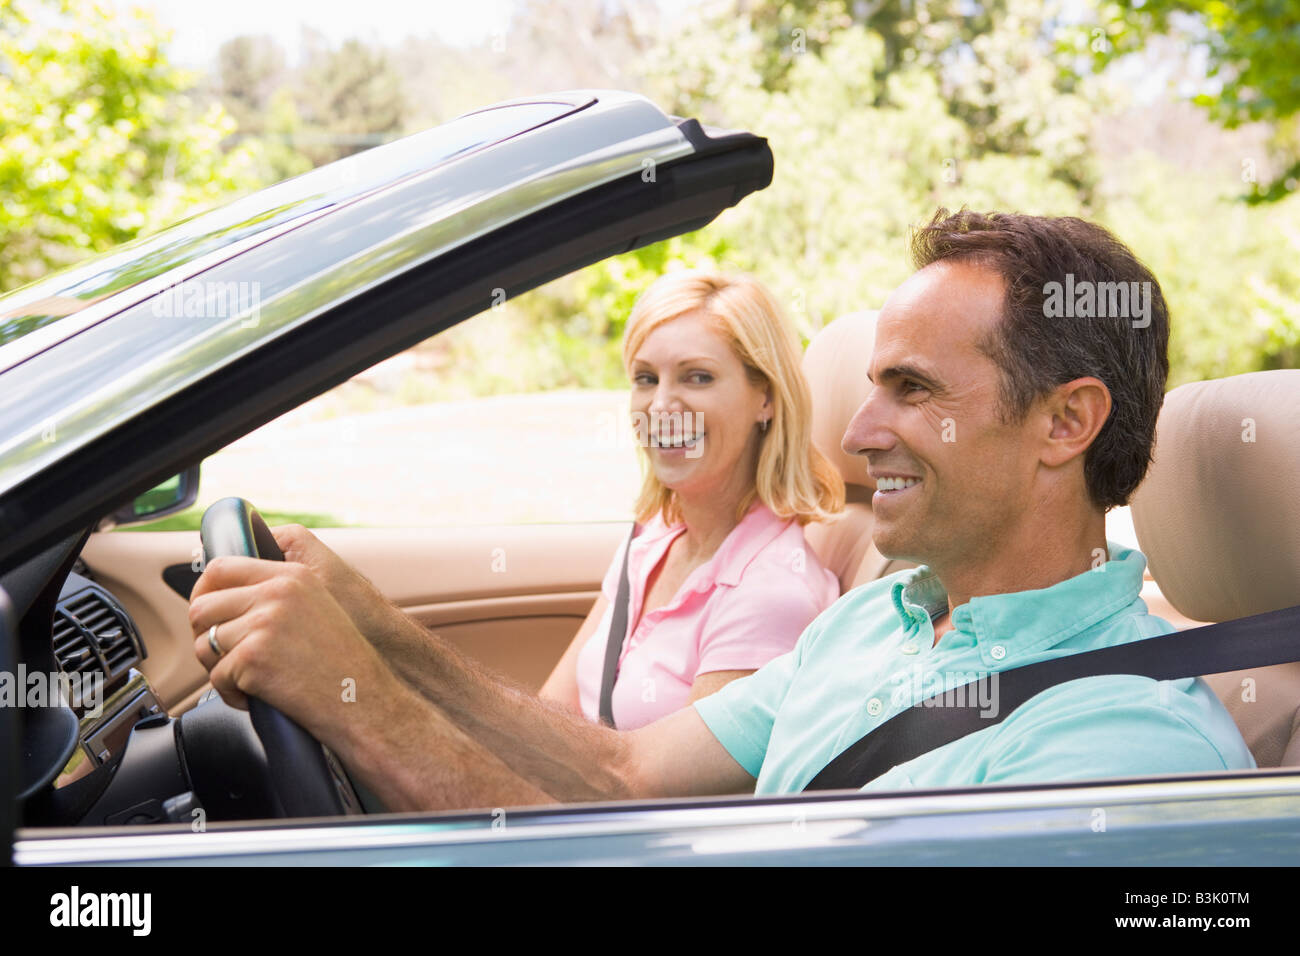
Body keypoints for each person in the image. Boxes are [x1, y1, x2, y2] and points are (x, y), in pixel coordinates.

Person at [189, 209, 1254, 812]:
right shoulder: (875, 617)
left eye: (914, 390)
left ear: (1064, 424)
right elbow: (623, 768)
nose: (854, 434)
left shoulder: (1119, 745)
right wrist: (365, 627)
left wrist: (354, 700)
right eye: (873, 385)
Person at [536, 271, 844, 728]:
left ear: (766, 399)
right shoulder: (652, 538)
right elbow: (549, 715)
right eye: (645, 378)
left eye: (697, 377)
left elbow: (657, 788)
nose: (660, 406)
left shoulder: (770, 593)